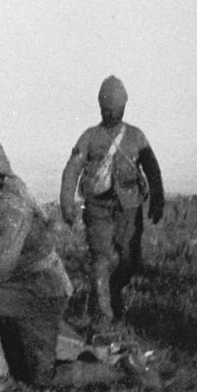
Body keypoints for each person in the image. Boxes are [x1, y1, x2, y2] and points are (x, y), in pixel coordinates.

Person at [0, 135, 156, 392]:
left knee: (42, 377)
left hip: (42, 292)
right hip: (23, 286)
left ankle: (120, 371)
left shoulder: (11, 210)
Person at [59, 75, 164, 333]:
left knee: (130, 261)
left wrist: (157, 200)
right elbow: (72, 169)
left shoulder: (136, 137)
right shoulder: (90, 137)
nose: (110, 110)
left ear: (124, 106)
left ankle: (113, 290)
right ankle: (104, 314)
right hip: (98, 208)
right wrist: (67, 204)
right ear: (99, 106)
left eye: (115, 106)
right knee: (100, 259)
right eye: (106, 106)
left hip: (130, 207)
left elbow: (152, 168)